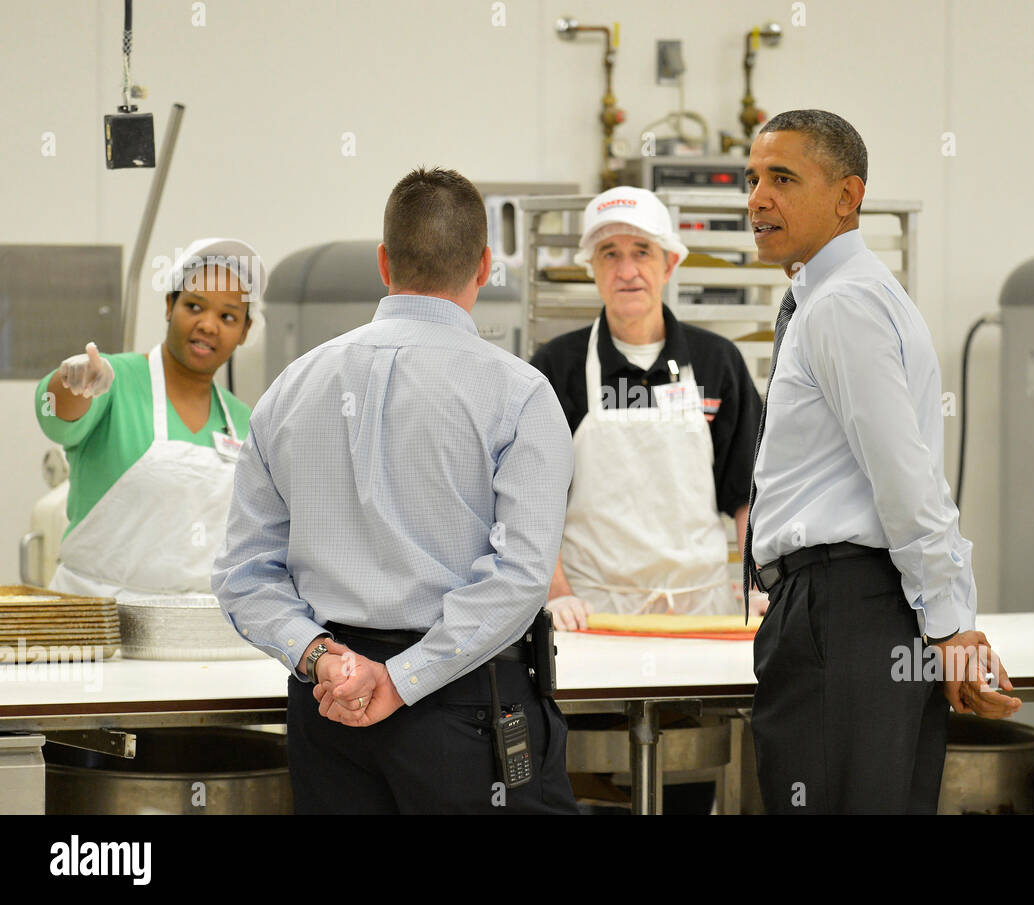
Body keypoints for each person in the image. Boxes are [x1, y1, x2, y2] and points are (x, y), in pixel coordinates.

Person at [212, 167, 578, 814]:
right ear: (486, 264)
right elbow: (521, 578)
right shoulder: (518, 393)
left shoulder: (290, 389)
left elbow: (243, 574)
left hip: (330, 704)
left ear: (384, 261)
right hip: (466, 701)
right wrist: (401, 680)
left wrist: (323, 658)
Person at [743, 110, 1019, 815]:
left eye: (781, 178)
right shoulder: (844, 296)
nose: (757, 200)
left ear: (847, 196)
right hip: (864, 612)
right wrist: (947, 619)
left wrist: (953, 626)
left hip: (846, 613)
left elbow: (906, 480)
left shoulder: (840, 307)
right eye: (751, 180)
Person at [530, 186, 763, 631]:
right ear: (591, 269)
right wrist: (557, 594)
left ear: (669, 263)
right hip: (592, 612)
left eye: (642, 251)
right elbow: (532, 502)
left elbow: (749, 493)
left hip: (702, 612)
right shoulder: (557, 367)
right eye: (609, 254)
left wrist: (758, 586)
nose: (627, 270)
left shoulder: (717, 361)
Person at [34, 237, 261, 600]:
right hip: (96, 617)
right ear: (170, 305)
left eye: (228, 316)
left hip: (190, 627)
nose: (208, 325)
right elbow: (54, 415)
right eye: (194, 306)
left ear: (245, 331)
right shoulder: (113, 378)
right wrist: (70, 383)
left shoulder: (242, 418)